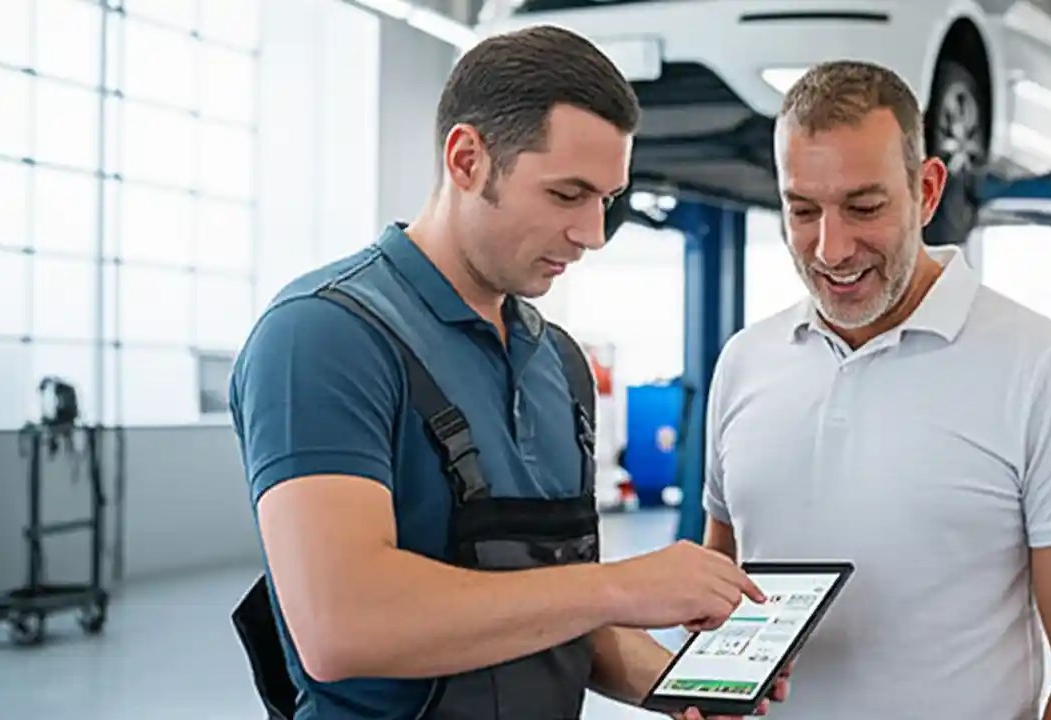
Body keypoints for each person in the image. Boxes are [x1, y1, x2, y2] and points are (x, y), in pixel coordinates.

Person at [229, 25, 788, 720]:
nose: (591, 234)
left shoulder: (559, 364)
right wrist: (622, 586)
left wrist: (690, 686)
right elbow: (343, 626)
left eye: (606, 200)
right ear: (467, 159)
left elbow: (559, 613)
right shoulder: (323, 336)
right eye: (567, 194)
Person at [701, 60, 1051, 719]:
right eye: (803, 210)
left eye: (864, 207)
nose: (830, 249)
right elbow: (719, 589)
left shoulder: (1044, 369)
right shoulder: (745, 361)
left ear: (927, 190)